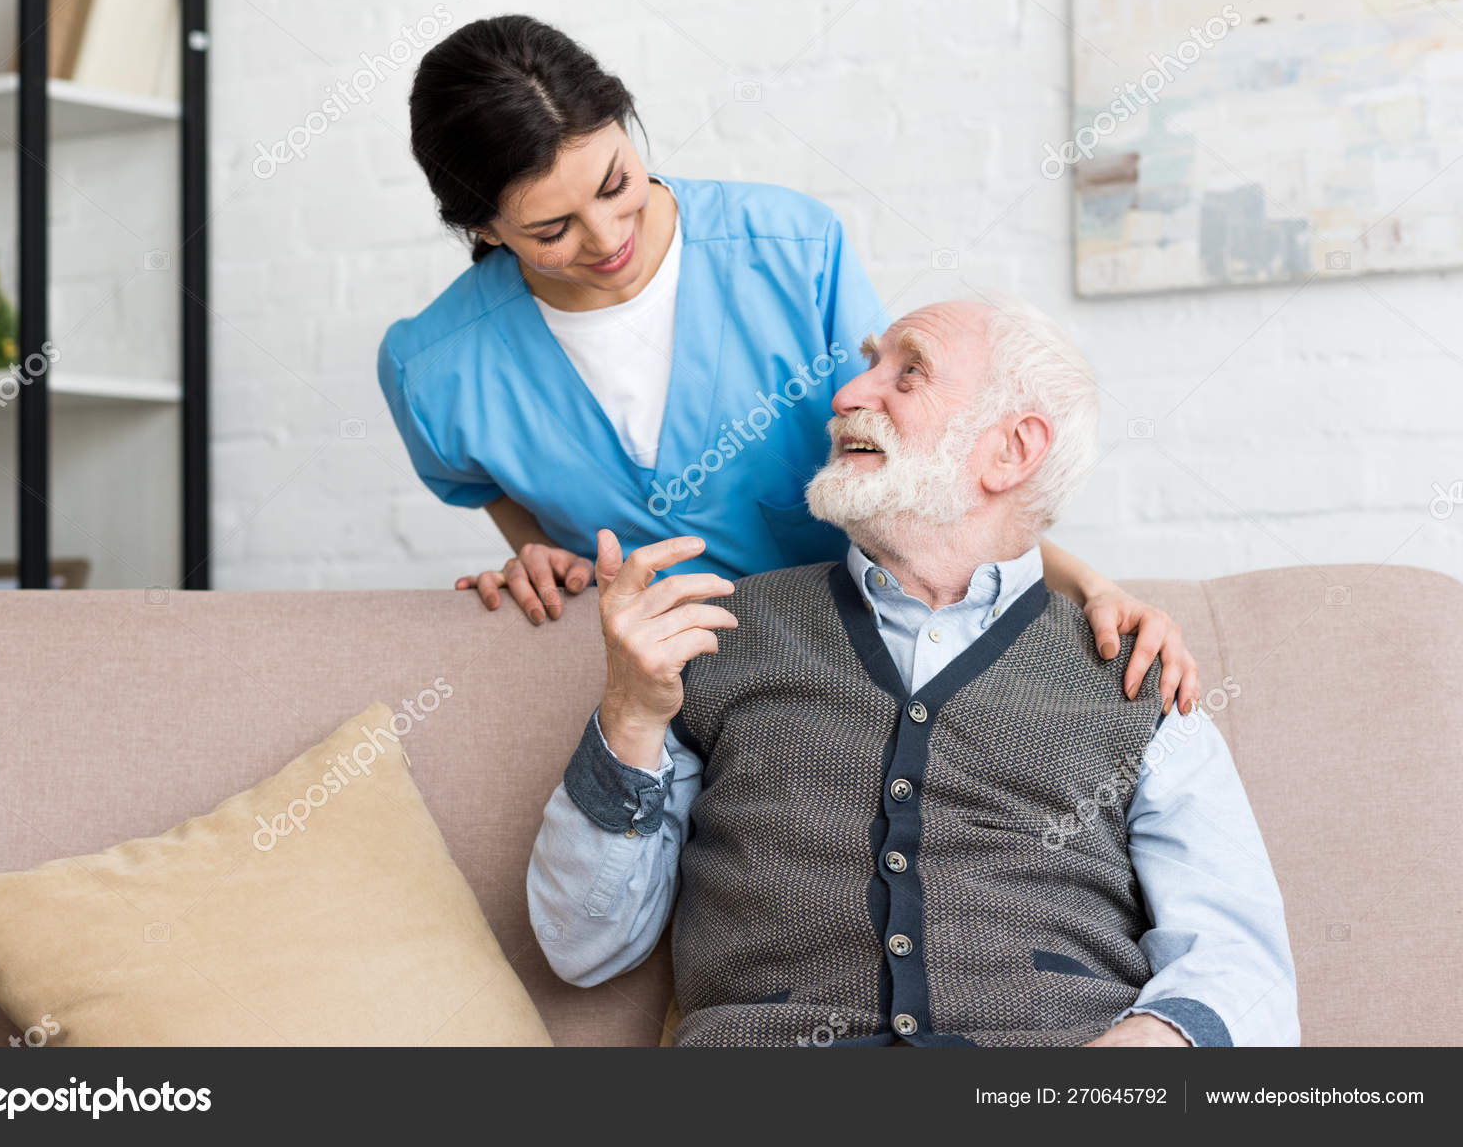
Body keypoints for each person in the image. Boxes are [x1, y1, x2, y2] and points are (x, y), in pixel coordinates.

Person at [527, 297, 1298, 1047]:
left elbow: (1240, 963)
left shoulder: (1140, 678)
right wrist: (629, 715)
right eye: (870, 367)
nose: (849, 395)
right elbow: (582, 947)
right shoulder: (719, 634)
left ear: (1011, 450)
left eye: (909, 373)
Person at [380, 14, 1200, 713]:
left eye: (617, 181)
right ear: (483, 229)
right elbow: (484, 482)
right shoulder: (433, 368)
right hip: (659, 698)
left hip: (852, 672)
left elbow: (921, 466)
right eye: (551, 230)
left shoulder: (793, 252)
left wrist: (1092, 586)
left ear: (627, 125)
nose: (605, 239)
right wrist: (541, 553)